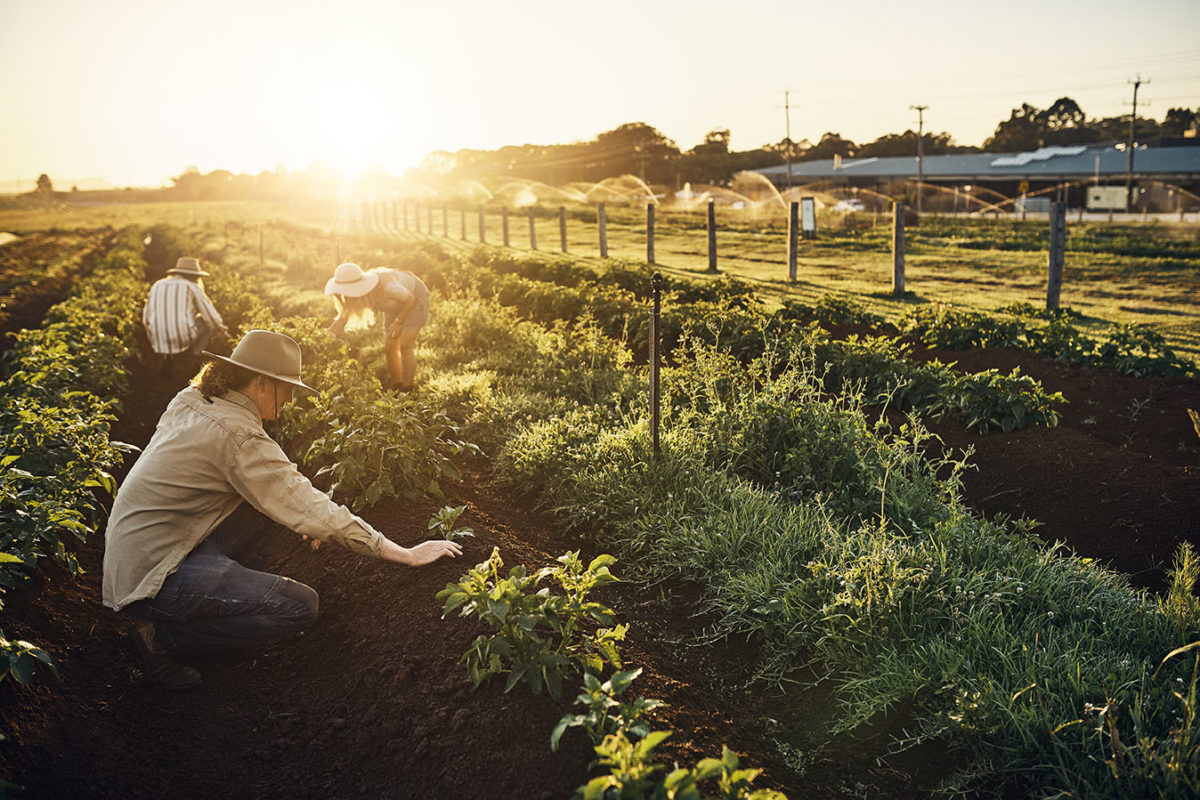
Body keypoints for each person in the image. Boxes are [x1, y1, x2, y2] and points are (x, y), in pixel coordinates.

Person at [102, 329, 462, 690]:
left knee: (269, 514)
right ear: (261, 383)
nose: (291, 399)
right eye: (288, 388)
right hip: (155, 580)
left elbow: (278, 495)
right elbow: (309, 504)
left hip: (137, 551)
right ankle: (163, 641)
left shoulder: (194, 398)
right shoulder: (238, 435)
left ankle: (222, 594)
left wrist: (297, 516)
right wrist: (403, 553)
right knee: (299, 606)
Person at [324, 262, 430, 392]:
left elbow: (410, 300)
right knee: (390, 347)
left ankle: (408, 388)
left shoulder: (389, 287)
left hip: (415, 301)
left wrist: (399, 322)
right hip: (394, 306)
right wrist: (322, 338)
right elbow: (341, 320)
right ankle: (397, 384)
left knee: (405, 346)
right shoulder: (353, 297)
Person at [142, 257, 230, 374]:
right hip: (183, 338)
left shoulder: (158, 284)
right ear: (194, 276)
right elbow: (210, 315)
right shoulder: (191, 286)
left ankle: (166, 356)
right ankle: (195, 356)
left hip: (157, 339)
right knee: (206, 322)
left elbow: (146, 318)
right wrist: (223, 332)